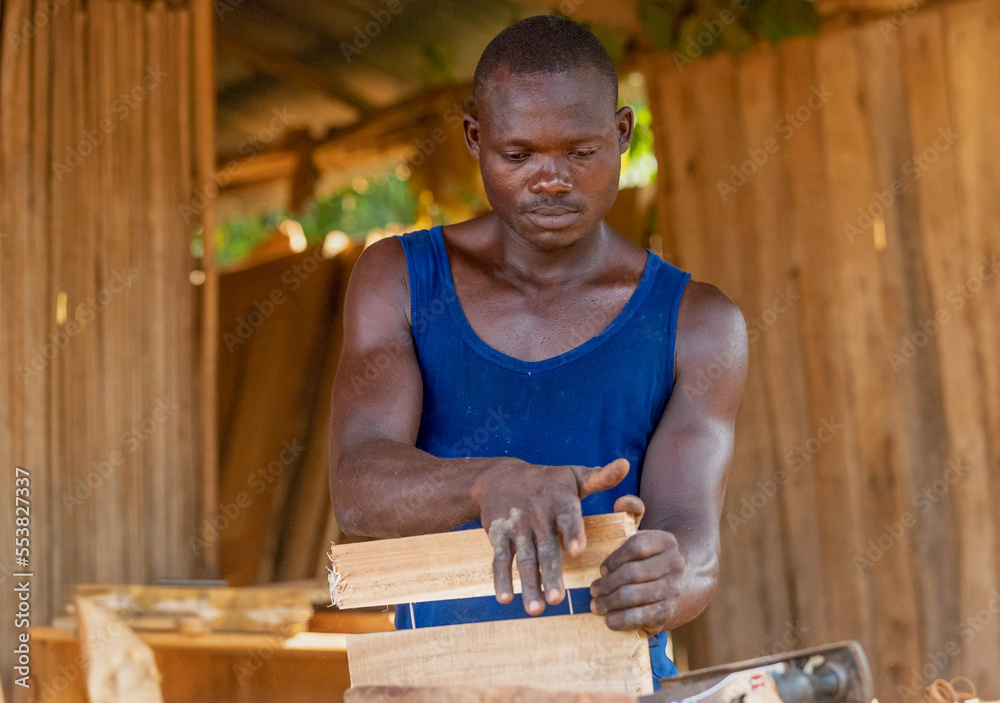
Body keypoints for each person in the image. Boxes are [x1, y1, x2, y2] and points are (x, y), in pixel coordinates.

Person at [328, 15, 747, 682]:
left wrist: (670, 576)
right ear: (475, 138)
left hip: (617, 685)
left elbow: (692, 535)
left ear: (621, 134)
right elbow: (357, 486)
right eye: (519, 155)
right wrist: (488, 481)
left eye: (579, 153)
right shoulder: (401, 280)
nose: (550, 180)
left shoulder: (698, 323)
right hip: (434, 690)